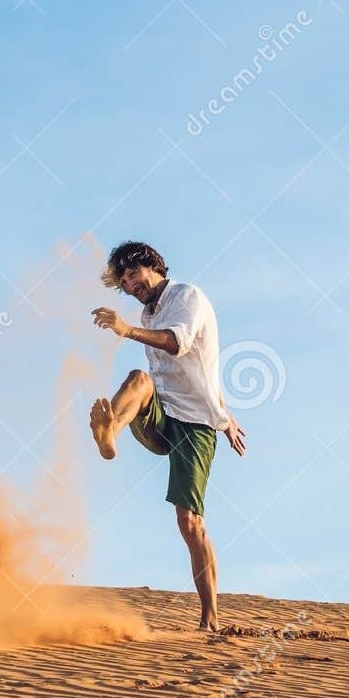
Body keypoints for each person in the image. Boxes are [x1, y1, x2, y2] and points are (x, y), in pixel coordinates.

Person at [88, 240, 246, 632]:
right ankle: (110, 434)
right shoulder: (148, 311)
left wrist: (225, 416)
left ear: (153, 266)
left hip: (195, 424)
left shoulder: (186, 297)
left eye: (133, 273)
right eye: (123, 280)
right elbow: (197, 368)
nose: (130, 284)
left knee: (189, 522)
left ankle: (209, 618)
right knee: (138, 379)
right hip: (161, 416)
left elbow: (180, 346)